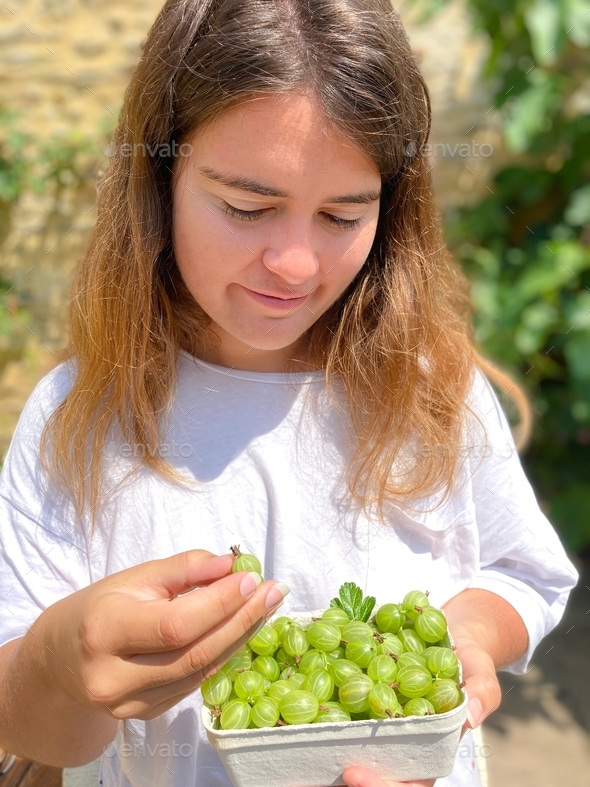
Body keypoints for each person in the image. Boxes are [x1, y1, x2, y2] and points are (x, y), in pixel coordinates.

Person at [0, 1, 578, 786]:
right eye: (246, 207)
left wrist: (468, 635)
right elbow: (28, 720)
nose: (297, 265)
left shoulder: (430, 387)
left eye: (344, 215)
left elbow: (525, 571)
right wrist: (59, 664)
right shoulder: (79, 415)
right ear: (161, 174)